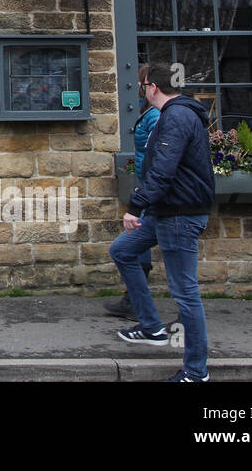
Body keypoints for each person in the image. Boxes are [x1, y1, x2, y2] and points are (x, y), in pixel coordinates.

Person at [108, 61, 216, 382]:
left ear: (152, 88)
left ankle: (196, 371)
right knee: (123, 251)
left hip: (180, 214)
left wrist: (136, 206)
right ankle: (151, 326)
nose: (142, 92)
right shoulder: (175, 115)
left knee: (185, 292)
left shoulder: (177, 117)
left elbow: (163, 171)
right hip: (167, 210)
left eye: (143, 88)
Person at [104, 70, 159, 318]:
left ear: (154, 86)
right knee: (135, 244)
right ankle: (136, 301)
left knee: (131, 244)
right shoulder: (146, 108)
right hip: (147, 183)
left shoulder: (157, 114)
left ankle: (139, 306)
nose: (139, 85)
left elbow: (159, 155)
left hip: (152, 187)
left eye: (143, 82)